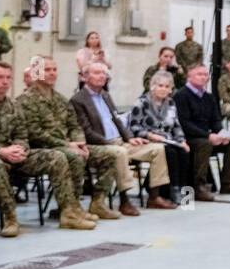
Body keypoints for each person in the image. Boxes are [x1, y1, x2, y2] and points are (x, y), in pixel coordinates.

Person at [0, 61, 96, 235]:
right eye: (0, 77)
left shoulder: (12, 105)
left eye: (8, 77)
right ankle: (10, 218)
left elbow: (22, 134)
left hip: (15, 154)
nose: (5, 81)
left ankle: (69, 213)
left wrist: (20, 148)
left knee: (57, 157)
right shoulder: (24, 100)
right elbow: (35, 133)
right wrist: (1, 151)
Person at [16, 56, 121, 221]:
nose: (52, 73)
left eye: (54, 69)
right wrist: (67, 144)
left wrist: (80, 142)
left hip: (69, 145)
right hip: (45, 148)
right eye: (47, 70)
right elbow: (34, 132)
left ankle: (98, 203)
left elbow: (75, 125)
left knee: (111, 154)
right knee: (74, 156)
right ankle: (71, 208)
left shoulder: (61, 99)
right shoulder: (25, 100)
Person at [70, 61, 174, 213]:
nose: (101, 76)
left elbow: (117, 120)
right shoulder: (78, 100)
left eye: (104, 73)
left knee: (157, 149)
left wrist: (130, 138)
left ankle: (154, 197)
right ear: (85, 77)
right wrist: (108, 143)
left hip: (119, 141)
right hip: (99, 144)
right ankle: (125, 200)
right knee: (120, 153)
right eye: (96, 73)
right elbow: (86, 131)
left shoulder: (105, 95)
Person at [174, 64, 230, 201]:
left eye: (205, 74)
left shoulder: (209, 97)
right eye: (199, 74)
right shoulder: (181, 96)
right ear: (189, 77)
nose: (203, 77)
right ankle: (199, 186)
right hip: (188, 138)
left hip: (206, 136)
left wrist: (222, 133)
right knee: (204, 144)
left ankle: (227, 183)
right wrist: (208, 135)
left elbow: (215, 120)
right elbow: (184, 123)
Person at [127, 70, 194, 205]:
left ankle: (182, 190)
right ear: (153, 86)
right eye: (160, 86)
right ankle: (171, 190)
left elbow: (176, 125)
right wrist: (149, 135)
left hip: (168, 139)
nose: (163, 89)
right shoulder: (141, 102)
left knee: (184, 151)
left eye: (167, 86)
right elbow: (133, 127)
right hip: (149, 140)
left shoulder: (170, 103)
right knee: (170, 153)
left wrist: (182, 141)